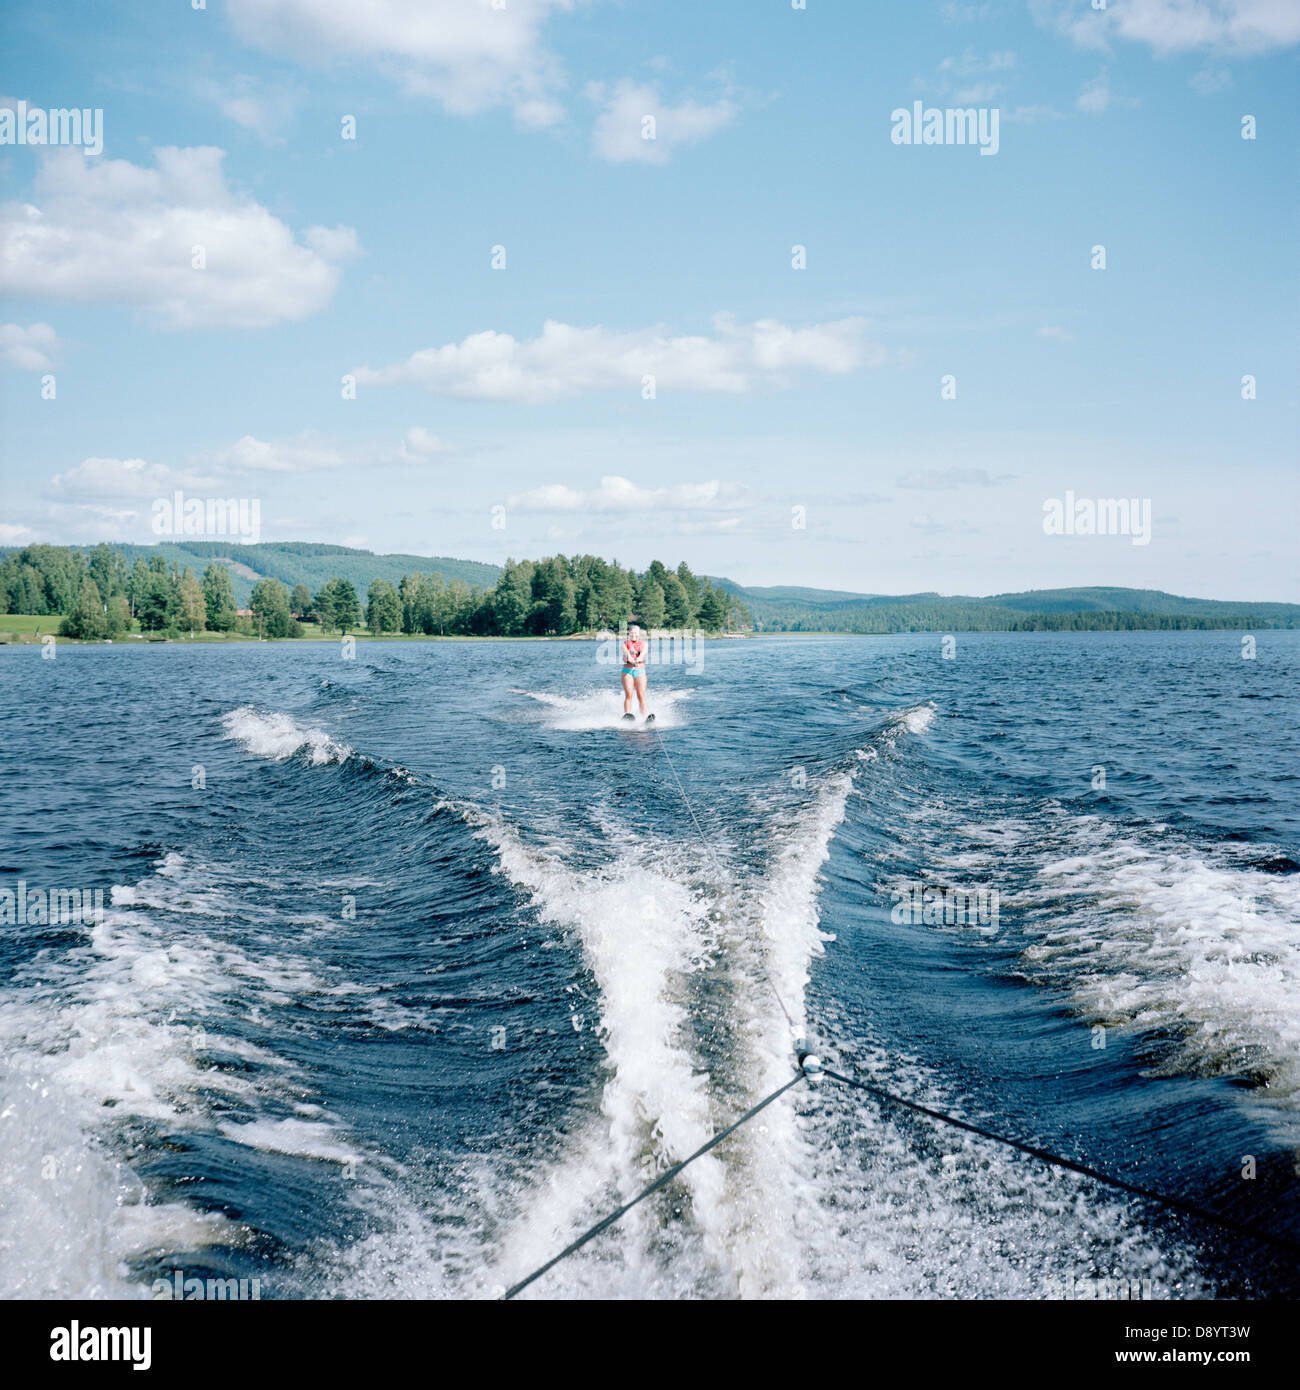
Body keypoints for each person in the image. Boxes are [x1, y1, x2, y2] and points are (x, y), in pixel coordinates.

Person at [621, 621, 648, 718]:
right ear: (629, 633)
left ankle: (644, 717)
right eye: (632, 633)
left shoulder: (644, 644)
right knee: (629, 695)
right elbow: (627, 654)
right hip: (627, 671)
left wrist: (638, 660)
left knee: (641, 696)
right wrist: (631, 660)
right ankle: (627, 715)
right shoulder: (624, 644)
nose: (634, 635)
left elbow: (642, 654)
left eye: (636, 633)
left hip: (640, 671)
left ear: (639, 634)